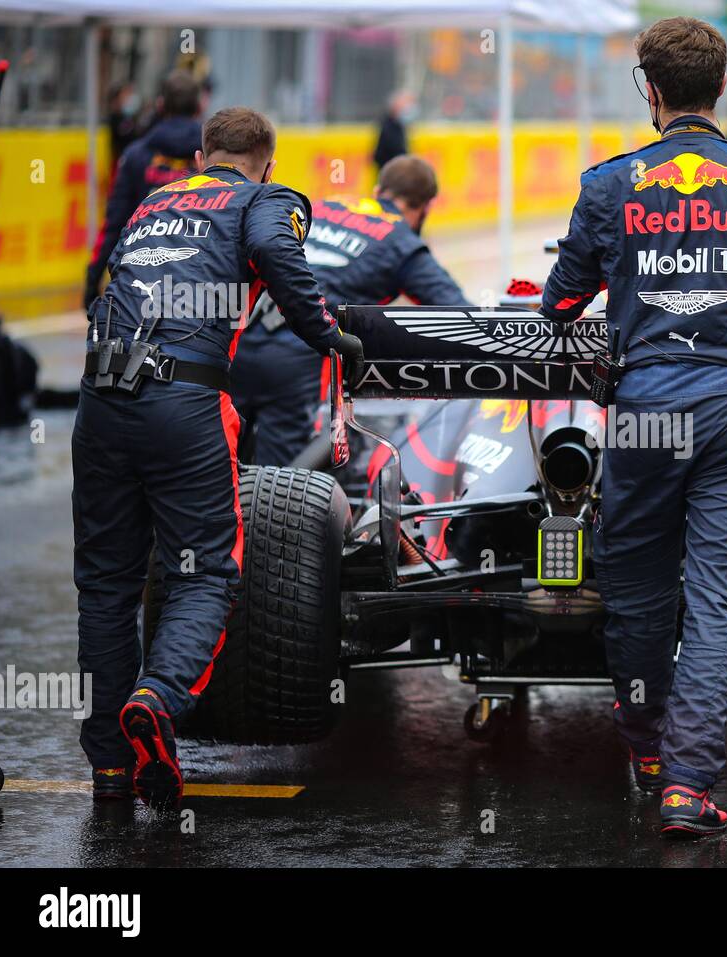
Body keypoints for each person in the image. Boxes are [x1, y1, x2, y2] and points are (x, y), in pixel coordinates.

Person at [540, 16, 727, 837]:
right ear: (719, 88)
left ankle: (645, 748)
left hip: (643, 411)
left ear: (651, 88)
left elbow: (557, 303)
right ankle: (686, 786)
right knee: (716, 601)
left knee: (639, 594)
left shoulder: (609, 184)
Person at [74, 107, 364, 808]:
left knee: (107, 587)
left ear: (202, 154)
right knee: (205, 571)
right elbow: (279, 257)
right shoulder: (266, 197)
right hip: (183, 401)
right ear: (267, 160)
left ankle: (110, 768)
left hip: (99, 399)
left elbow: (104, 294)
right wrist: (330, 336)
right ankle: (158, 695)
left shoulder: (155, 199)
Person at [232, 154, 467, 466]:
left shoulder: (323, 204)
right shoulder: (400, 240)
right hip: (299, 357)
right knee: (279, 488)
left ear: (378, 190)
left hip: (238, 340)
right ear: (425, 207)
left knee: (221, 467)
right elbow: (456, 313)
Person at [84, 70, 204, 309]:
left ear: (160, 105)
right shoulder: (213, 156)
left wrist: (92, 280)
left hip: (140, 280)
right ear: (199, 107)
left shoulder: (136, 155)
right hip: (200, 280)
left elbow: (114, 224)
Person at [373, 90, 416, 171]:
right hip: (392, 175)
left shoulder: (399, 126)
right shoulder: (388, 127)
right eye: (407, 105)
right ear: (397, 106)